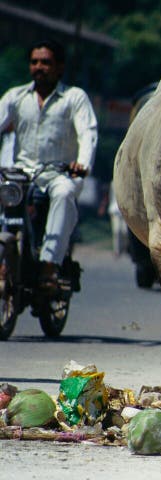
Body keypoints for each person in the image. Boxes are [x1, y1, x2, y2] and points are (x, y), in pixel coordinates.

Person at [0, 39, 97, 291]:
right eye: (34, 62)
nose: (39, 67)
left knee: (64, 192)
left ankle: (49, 266)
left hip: (58, 173)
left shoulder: (74, 98)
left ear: (60, 67)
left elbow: (87, 133)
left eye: (46, 62)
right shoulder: (16, 96)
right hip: (21, 174)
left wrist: (82, 163)